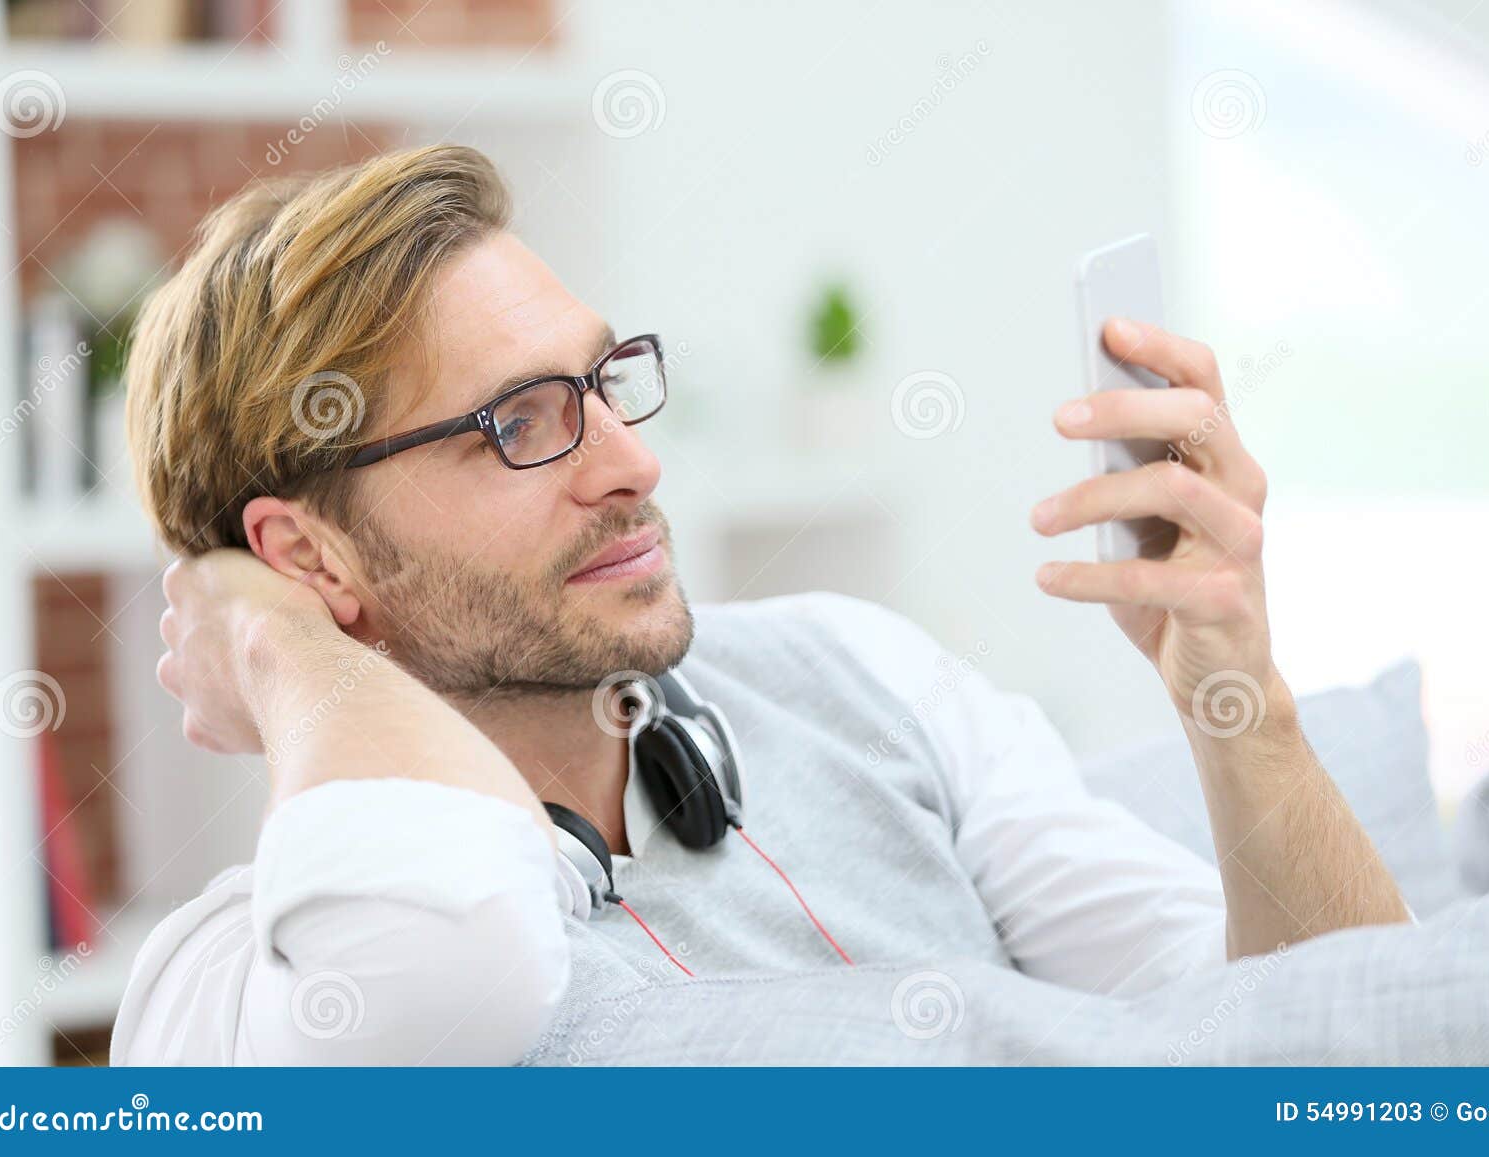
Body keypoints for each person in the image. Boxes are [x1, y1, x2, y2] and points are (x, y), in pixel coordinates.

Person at [110, 144, 1408, 1065]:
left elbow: (1341, 1043)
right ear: (310, 554)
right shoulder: (234, 988)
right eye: (521, 422)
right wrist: (272, 638)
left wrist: (1240, 697)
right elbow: (457, 966)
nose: (630, 461)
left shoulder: (856, 673)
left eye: (607, 381)